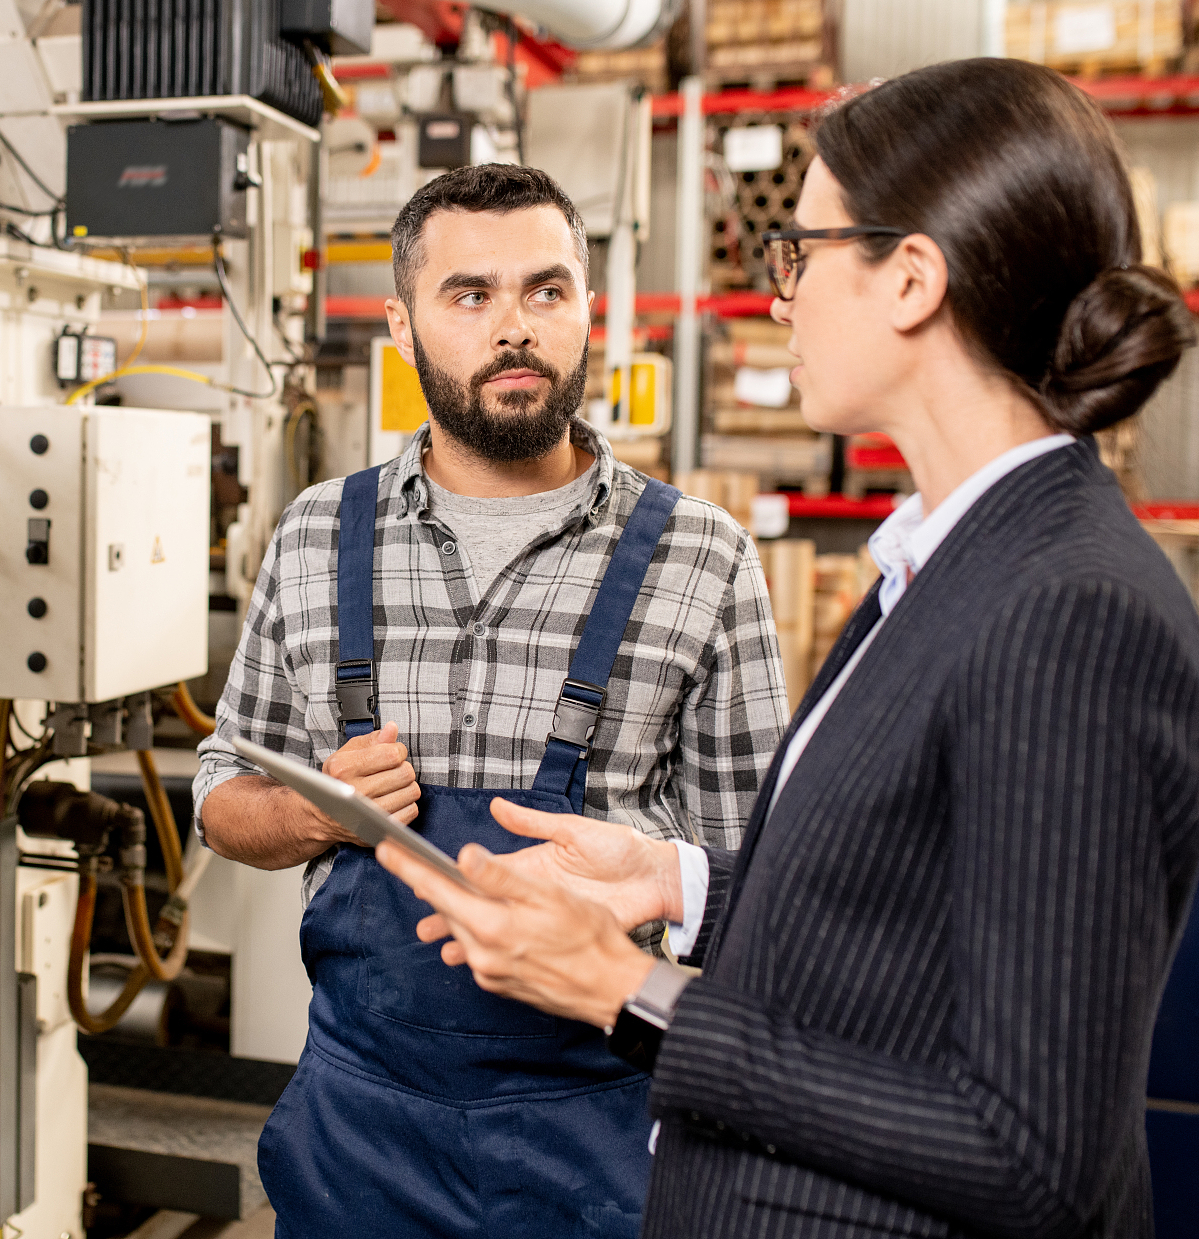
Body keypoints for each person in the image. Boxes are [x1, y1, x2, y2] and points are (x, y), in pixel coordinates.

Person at [378, 56, 1199, 1239]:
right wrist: (675, 885)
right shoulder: (943, 561)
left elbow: (1034, 1154)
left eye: (803, 254)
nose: (778, 296)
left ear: (910, 280)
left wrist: (626, 988)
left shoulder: (1065, 609)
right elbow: (901, 926)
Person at [191, 163, 790, 1238]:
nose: (512, 327)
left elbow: (760, 883)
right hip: (355, 1140)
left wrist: (649, 885)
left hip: (593, 1145)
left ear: (587, 309)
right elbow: (222, 797)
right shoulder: (317, 536)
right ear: (401, 324)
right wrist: (308, 811)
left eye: (544, 290)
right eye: (469, 295)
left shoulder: (703, 559)